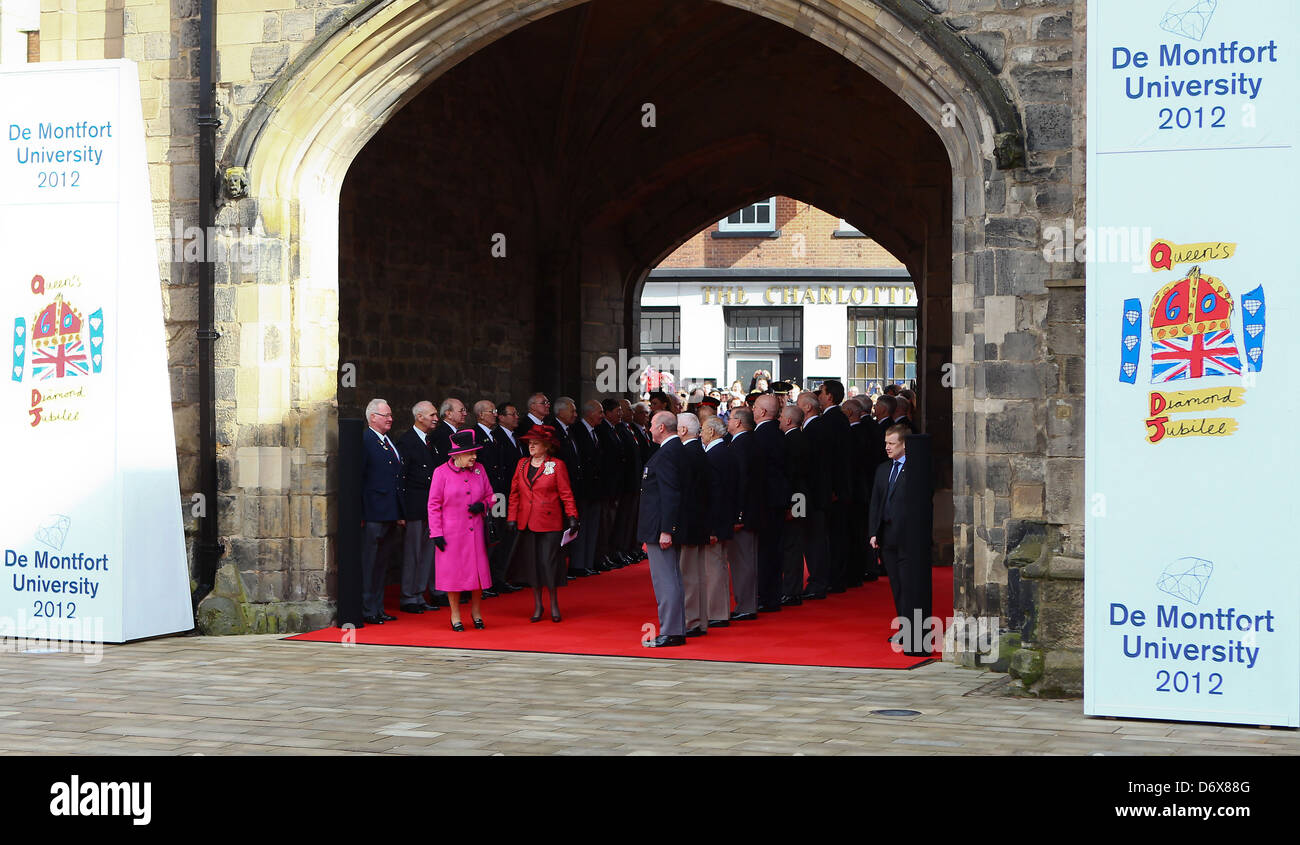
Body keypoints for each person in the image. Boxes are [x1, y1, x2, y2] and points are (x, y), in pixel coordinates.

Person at [507, 425, 579, 623]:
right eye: (529, 443)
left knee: (549, 564)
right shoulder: (522, 464)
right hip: (526, 521)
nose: (531, 446)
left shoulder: (556, 465)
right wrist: (511, 517)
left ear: (546, 446)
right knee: (532, 565)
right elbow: (514, 494)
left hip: (550, 522)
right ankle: (538, 604)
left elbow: (566, 493)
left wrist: (572, 516)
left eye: (535, 443)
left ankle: (554, 602)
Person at [427, 428, 495, 632]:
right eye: (470, 454)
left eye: (475, 453)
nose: (474, 457)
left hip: (475, 533)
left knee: (477, 575)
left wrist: (483, 505)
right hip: (451, 534)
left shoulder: (480, 470)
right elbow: (433, 505)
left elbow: (492, 496)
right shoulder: (441, 473)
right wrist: (436, 533)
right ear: (457, 454)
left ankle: (476, 612)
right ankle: (455, 615)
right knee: (453, 576)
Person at [637, 410, 687, 647]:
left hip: (660, 526)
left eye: (652, 425)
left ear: (661, 428)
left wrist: (667, 529)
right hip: (661, 525)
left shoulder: (667, 453)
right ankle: (675, 627)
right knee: (672, 578)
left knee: (666, 579)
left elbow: (670, 494)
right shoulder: (675, 450)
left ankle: (671, 630)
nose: (648, 429)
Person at [395, 400, 444, 614]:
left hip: (430, 507)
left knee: (426, 553)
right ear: (419, 417)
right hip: (414, 507)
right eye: (432, 415)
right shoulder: (407, 441)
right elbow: (401, 478)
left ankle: (419, 594)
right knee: (412, 553)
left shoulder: (430, 442)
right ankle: (408, 597)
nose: (436, 418)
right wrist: (401, 510)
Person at [360, 398, 404, 626]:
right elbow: (359, 478)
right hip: (373, 512)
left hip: (389, 512)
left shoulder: (387, 441)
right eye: (386, 415)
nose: (390, 419)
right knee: (370, 563)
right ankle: (368, 608)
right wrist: (361, 514)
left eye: (390, 415)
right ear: (373, 417)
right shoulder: (366, 440)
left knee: (382, 563)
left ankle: (378, 606)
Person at [869, 425, 912, 641]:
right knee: (895, 583)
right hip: (887, 535)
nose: (887, 447)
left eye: (892, 443)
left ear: (904, 444)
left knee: (908, 584)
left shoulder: (915, 470)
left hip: (906, 536)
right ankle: (903, 627)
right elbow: (876, 503)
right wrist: (873, 532)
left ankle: (911, 629)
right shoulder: (883, 469)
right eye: (886, 443)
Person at [473, 399, 521, 594]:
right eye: (491, 411)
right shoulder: (475, 435)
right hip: (488, 494)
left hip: (502, 493)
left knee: (501, 535)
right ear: (481, 414)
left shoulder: (494, 435)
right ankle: (482, 581)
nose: (495, 413)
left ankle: (497, 577)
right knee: (488, 537)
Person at [752, 394, 790, 612]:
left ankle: (766, 594)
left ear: (763, 412)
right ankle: (772, 593)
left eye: (755, 407)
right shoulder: (779, 433)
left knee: (765, 550)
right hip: (777, 500)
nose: (753, 410)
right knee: (774, 548)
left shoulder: (760, 437)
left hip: (764, 501)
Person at [816, 380, 855, 591]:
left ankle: (836, 578)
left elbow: (832, 460)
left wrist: (832, 489)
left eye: (821, 393)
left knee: (836, 535)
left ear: (829, 396)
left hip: (836, 489)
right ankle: (838, 576)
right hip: (840, 487)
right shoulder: (837, 418)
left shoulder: (831, 420)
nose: (819, 397)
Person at [700, 415, 738, 627]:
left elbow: (716, 495)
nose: (701, 434)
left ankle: (716, 612)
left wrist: (712, 527)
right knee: (718, 565)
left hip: (716, 521)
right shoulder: (725, 451)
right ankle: (720, 610)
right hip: (723, 519)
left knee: (713, 567)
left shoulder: (714, 455)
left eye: (704, 430)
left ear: (712, 432)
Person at [675, 413, 710, 637]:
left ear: (683, 431)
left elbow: (683, 494)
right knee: (697, 573)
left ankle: (691, 620)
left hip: (688, 523)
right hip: (699, 522)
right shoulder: (699, 452)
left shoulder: (687, 454)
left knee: (688, 574)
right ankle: (699, 620)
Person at [725, 407, 758, 621]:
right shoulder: (747, 442)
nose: (727, 422)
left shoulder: (740, 445)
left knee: (743, 560)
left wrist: (737, 514)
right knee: (745, 559)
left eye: (730, 418)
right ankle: (746, 603)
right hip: (748, 511)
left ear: (737, 422)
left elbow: (741, 483)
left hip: (743, 513)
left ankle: (746, 605)